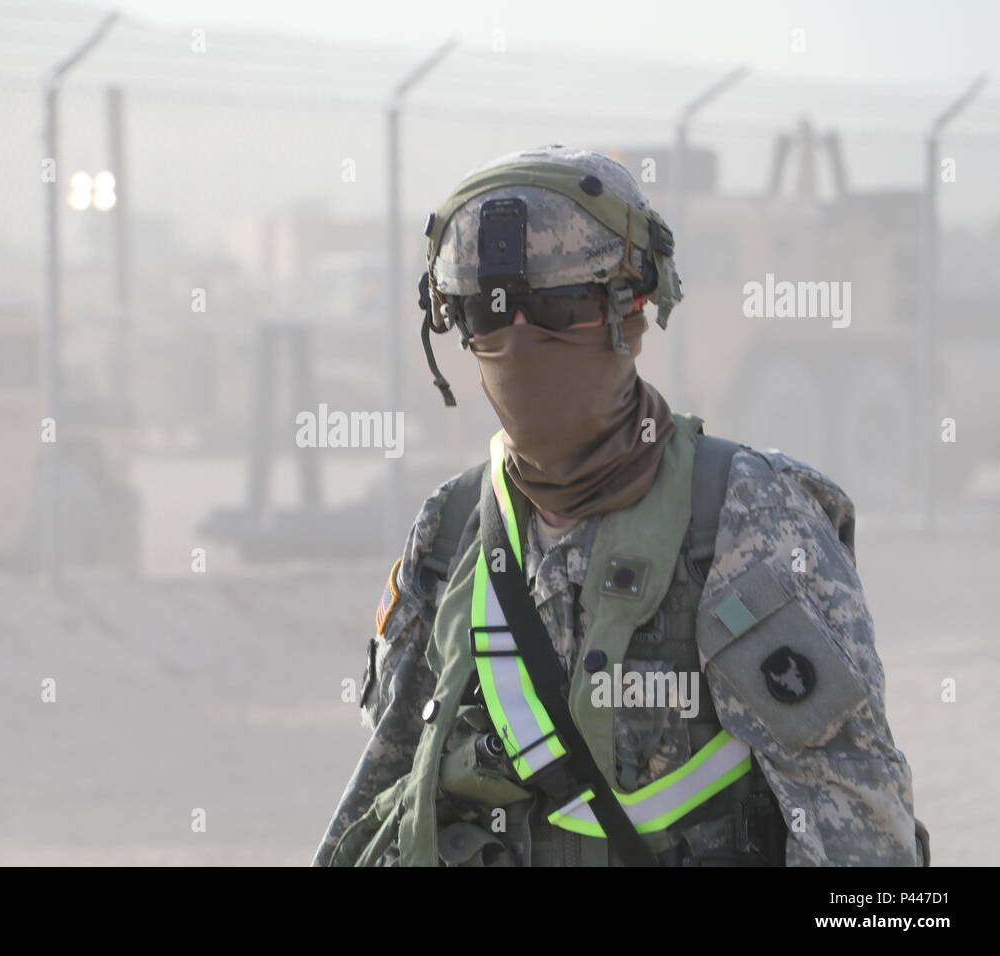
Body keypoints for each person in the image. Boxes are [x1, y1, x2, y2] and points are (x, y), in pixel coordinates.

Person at [313, 146, 924, 867]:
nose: (516, 342)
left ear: (629, 312)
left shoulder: (741, 516)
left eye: (556, 309)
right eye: (486, 313)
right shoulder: (451, 531)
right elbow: (390, 793)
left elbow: (860, 838)